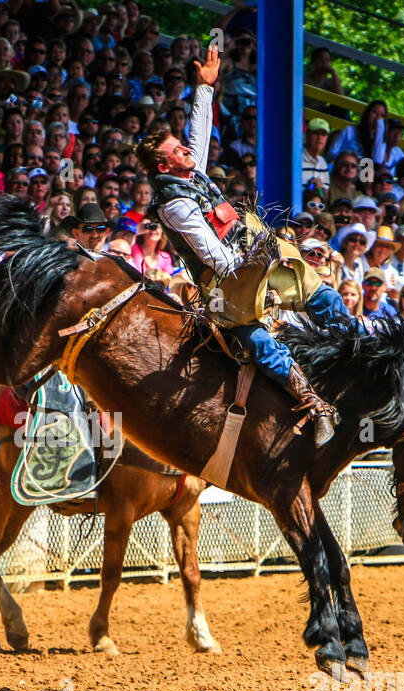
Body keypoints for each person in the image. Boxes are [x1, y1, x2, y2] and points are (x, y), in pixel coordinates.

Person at [137, 42, 342, 444]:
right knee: (260, 342)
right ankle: (313, 404)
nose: (186, 150)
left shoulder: (188, 172)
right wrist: (258, 272)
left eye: (181, 146)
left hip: (255, 254)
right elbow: (212, 253)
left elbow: (199, 134)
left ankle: (356, 342)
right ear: (165, 167)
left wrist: (204, 88)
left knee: (321, 294)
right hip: (226, 284)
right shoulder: (174, 204)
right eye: (177, 151)